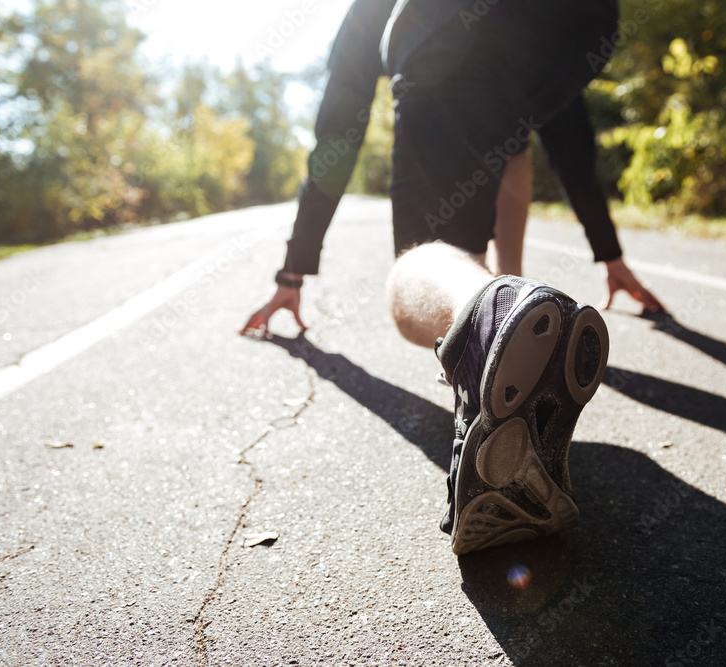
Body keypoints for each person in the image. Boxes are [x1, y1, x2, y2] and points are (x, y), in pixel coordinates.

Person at [243, 0, 662, 554]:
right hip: (583, 23)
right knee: (515, 128)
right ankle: (512, 317)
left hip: (445, 34)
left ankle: (494, 322)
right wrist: (609, 254)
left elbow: (338, 133)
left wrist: (292, 269)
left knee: (415, 270)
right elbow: (566, 133)